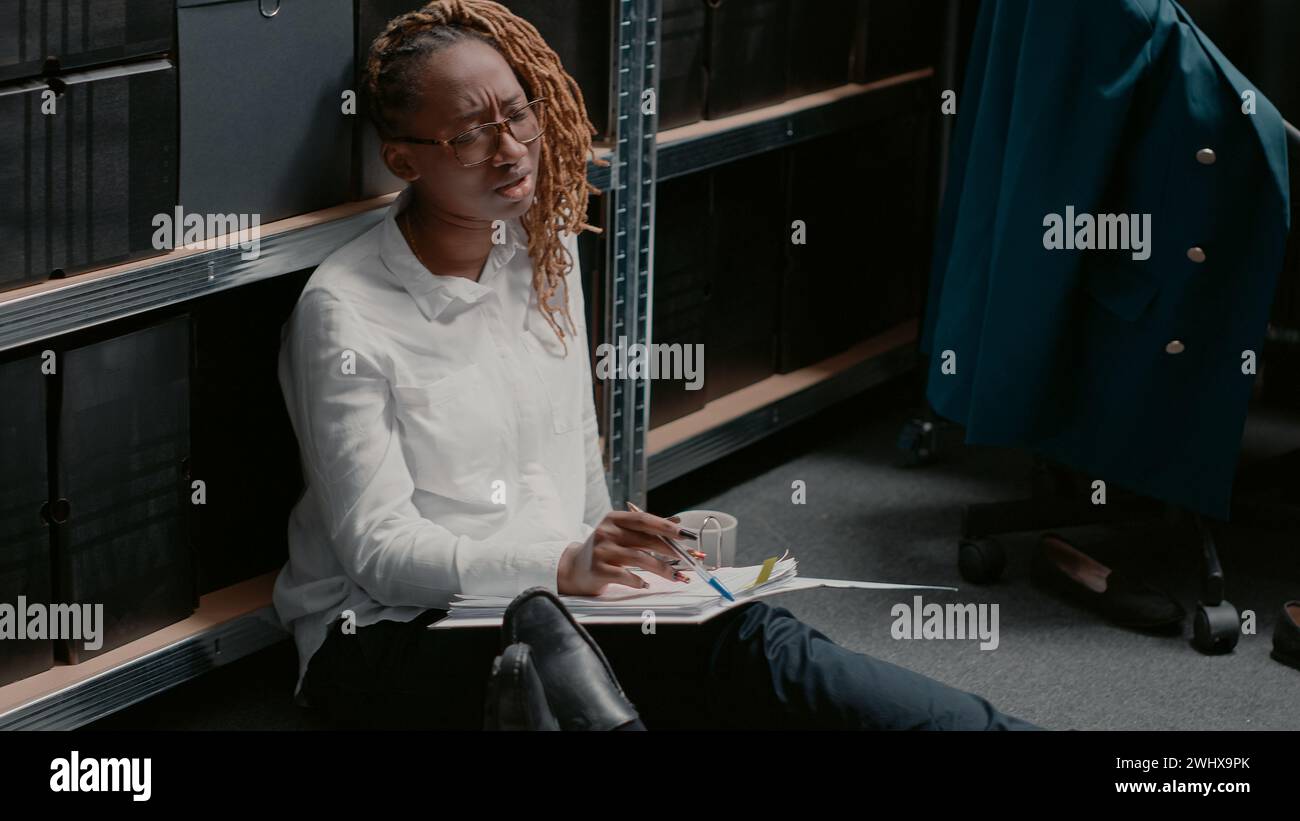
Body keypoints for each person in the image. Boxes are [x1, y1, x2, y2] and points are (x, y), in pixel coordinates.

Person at [273, 0, 1039, 731]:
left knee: (757, 645)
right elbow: (377, 554)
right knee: (632, 668)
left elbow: (574, 445)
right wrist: (565, 561)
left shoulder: (542, 250)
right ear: (403, 159)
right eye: (472, 133)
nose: (511, 148)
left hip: (554, 603)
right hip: (391, 636)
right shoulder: (344, 310)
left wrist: (619, 555)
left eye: (518, 112)